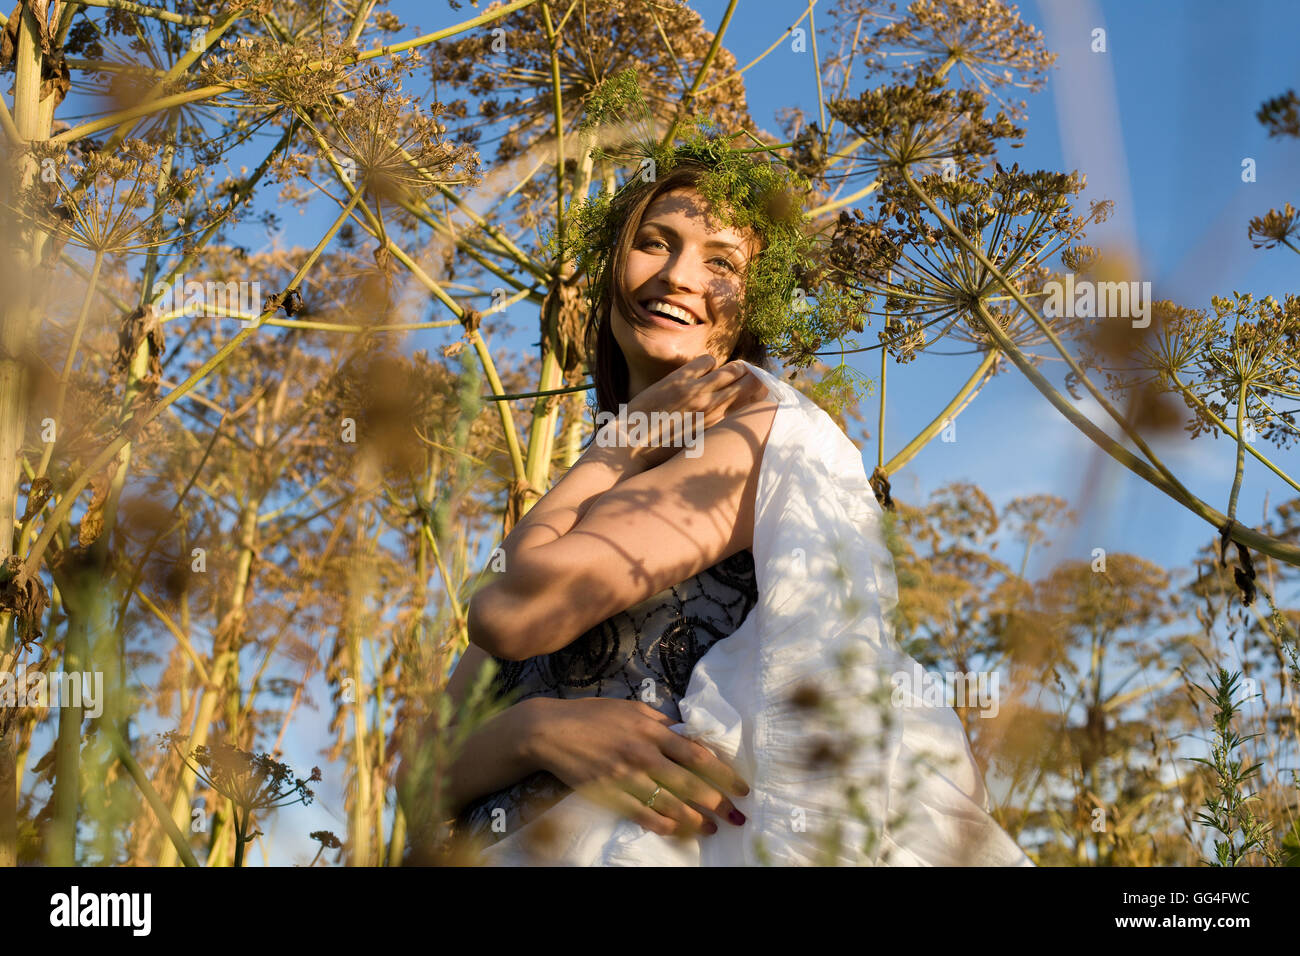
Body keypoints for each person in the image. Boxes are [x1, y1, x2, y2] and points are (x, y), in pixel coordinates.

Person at [411, 146, 1031, 866]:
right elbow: (418, 782)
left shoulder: (756, 438)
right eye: (654, 243)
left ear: (754, 307)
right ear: (613, 267)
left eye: (721, 265)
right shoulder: (598, 480)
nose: (678, 276)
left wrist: (619, 445)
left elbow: (510, 612)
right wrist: (540, 730)